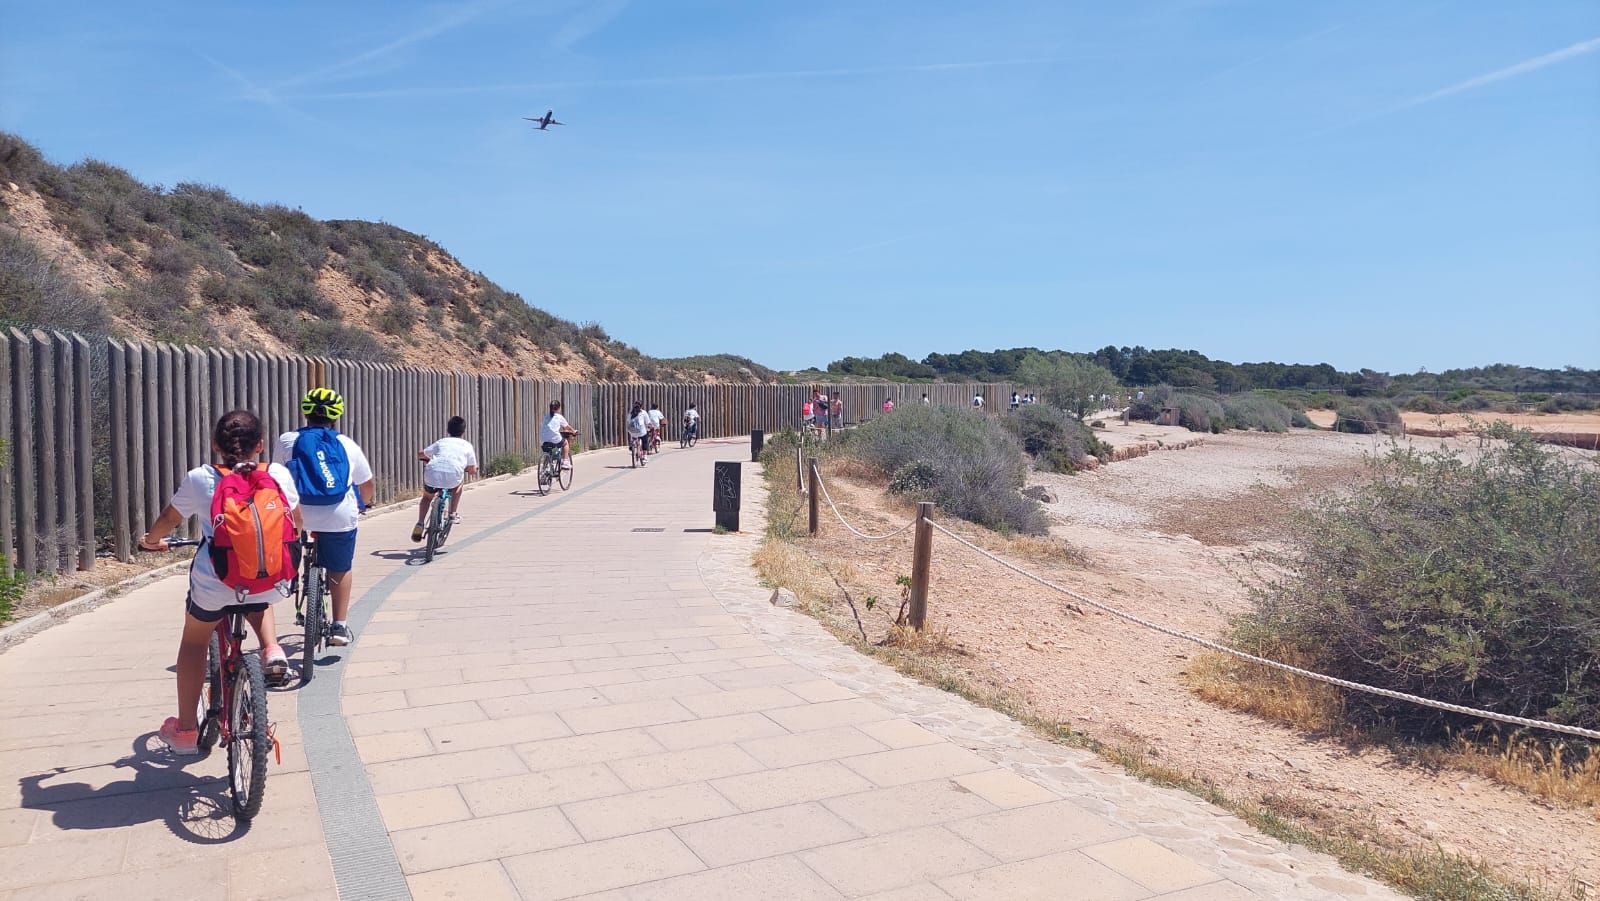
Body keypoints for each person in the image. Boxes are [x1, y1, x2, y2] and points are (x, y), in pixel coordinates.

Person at [140, 409, 300, 753]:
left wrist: (151, 541)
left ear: (215, 445)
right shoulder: (278, 474)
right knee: (260, 593)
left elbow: (169, 518)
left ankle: (185, 731)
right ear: (260, 446)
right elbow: (295, 521)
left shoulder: (201, 477)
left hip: (215, 584)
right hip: (270, 579)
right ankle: (272, 648)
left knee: (195, 642)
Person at [277, 388, 374, 648]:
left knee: (288, 540)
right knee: (340, 568)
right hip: (338, 513)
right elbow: (366, 483)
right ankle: (339, 625)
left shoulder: (288, 440)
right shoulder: (346, 444)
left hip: (297, 513)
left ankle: (288, 579)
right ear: (336, 416)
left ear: (305, 413)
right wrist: (367, 503)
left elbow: (277, 475)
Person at [412, 415, 478, 543]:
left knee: (426, 497)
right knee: (459, 485)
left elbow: (421, 454)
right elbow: (473, 469)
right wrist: (470, 469)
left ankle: (420, 523)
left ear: (448, 430)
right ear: (463, 432)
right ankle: (452, 513)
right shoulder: (467, 445)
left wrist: (426, 459)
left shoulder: (441, 442)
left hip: (433, 473)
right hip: (453, 475)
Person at [542, 399, 578, 469]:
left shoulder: (546, 416)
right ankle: (565, 462)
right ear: (558, 408)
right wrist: (574, 431)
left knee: (549, 451)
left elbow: (550, 427)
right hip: (555, 438)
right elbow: (567, 426)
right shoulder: (559, 417)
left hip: (544, 439)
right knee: (565, 443)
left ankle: (547, 467)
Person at [627, 401, 652, 465]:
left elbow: (628, 421)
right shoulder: (643, 412)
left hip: (632, 431)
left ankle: (632, 444)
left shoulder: (630, 413)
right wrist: (649, 426)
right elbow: (648, 422)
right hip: (641, 431)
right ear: (641, 406)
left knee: (633, 435)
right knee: (645, 440)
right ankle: (645, 456)